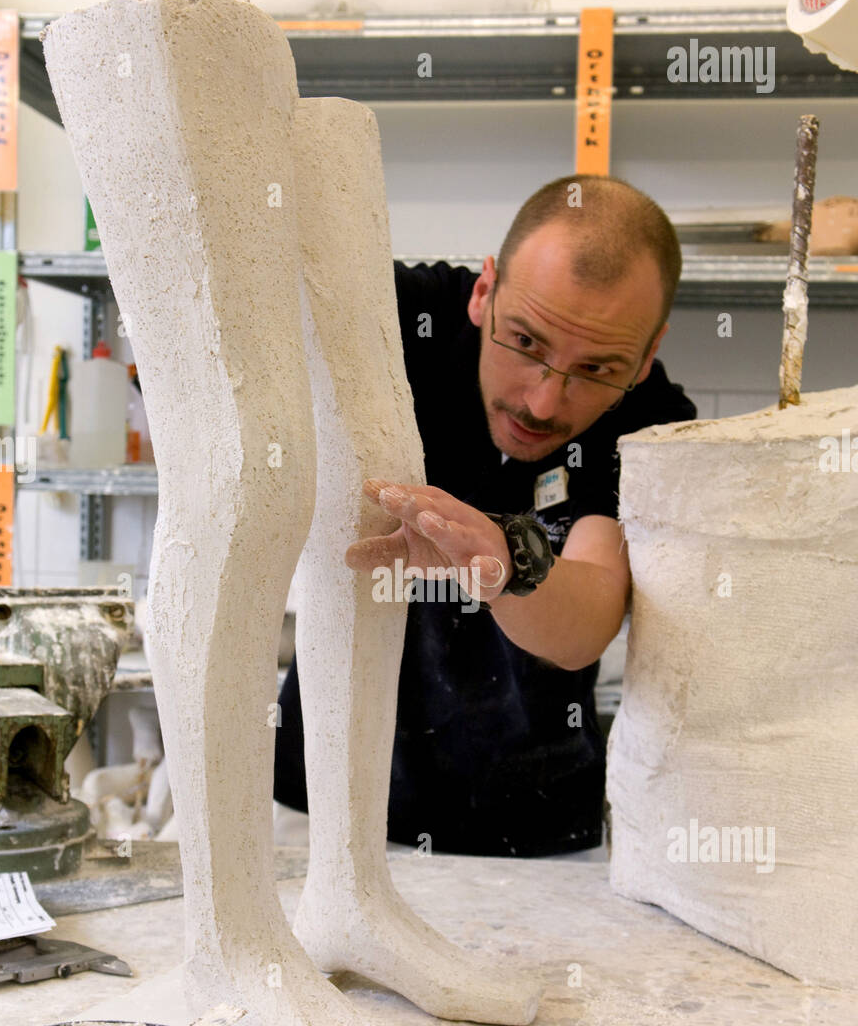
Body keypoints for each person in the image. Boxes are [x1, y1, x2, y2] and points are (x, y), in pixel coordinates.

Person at [274, 174, 696, 857]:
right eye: (526, 342)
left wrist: (505, 562)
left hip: (530, 823)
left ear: (646, 356)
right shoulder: (399, 316)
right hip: (318, 800)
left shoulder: (653, 426)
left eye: (597, 369)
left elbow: (588, 611)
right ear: (484, 290)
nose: (543, 402)